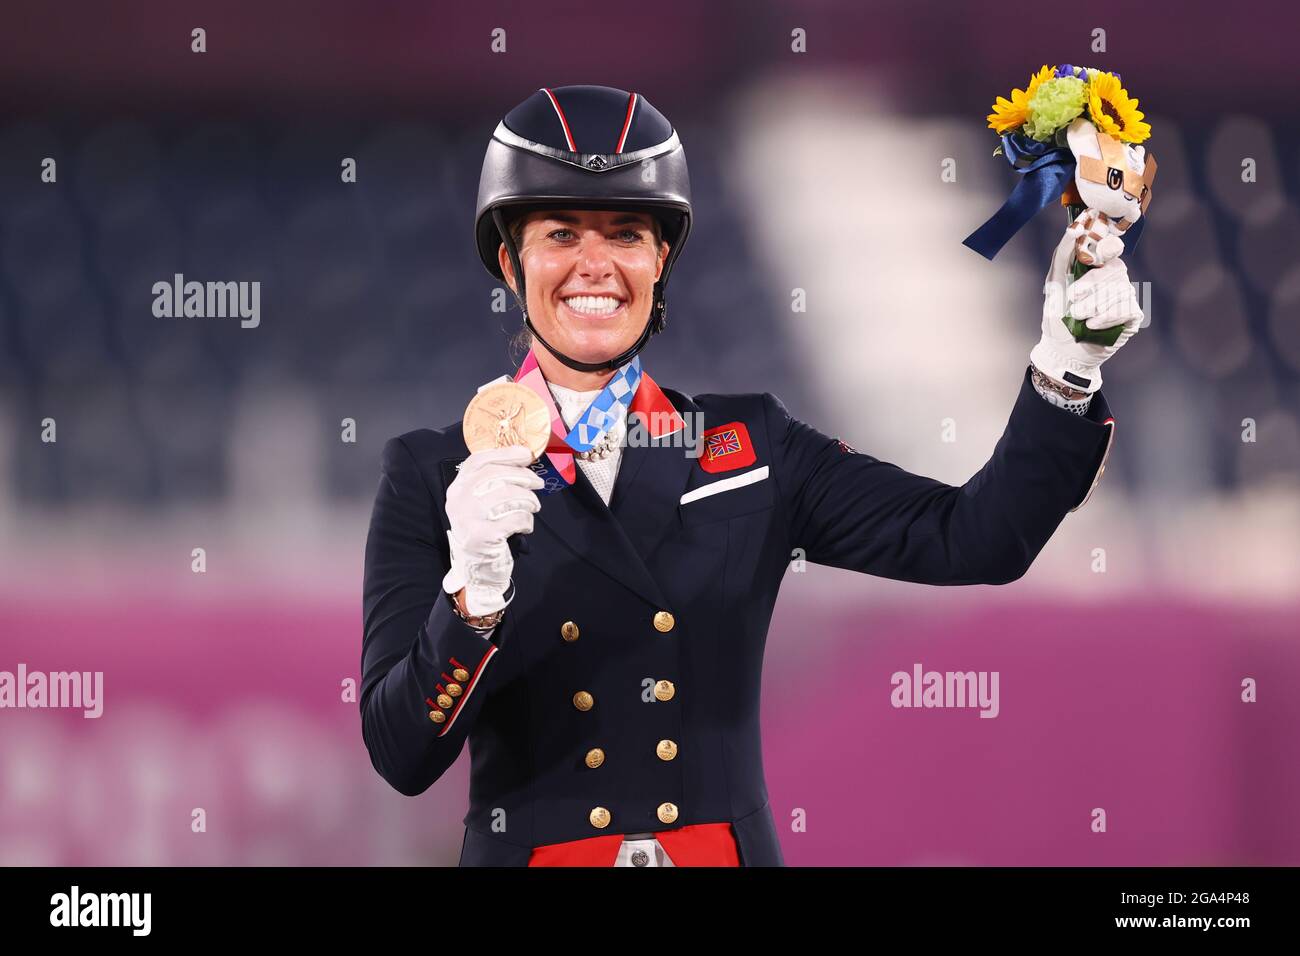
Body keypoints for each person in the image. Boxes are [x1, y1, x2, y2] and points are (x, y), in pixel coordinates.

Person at [360, 85, 1143, 866]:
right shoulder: (434, 475)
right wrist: (468, 603)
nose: (594, 265)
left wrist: (1064, 373)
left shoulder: (752, 442)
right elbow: (402, 756)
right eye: (562, 233)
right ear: (509, 258)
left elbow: (974, 539)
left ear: (659, 259)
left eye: (627, 234)